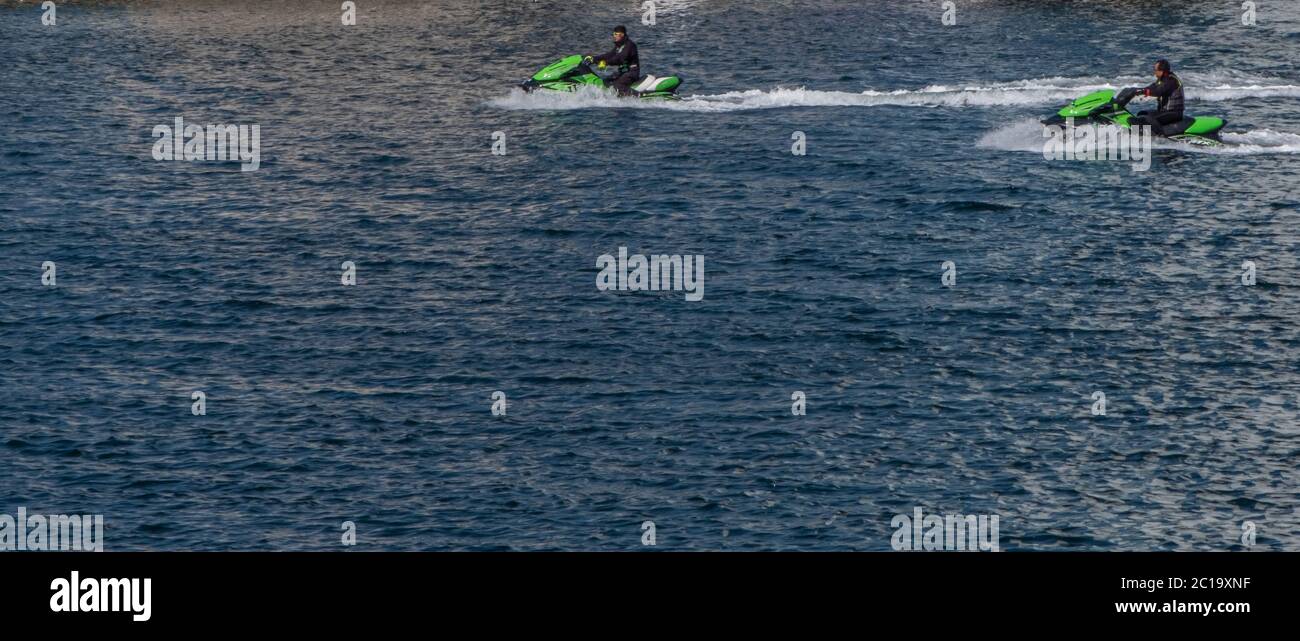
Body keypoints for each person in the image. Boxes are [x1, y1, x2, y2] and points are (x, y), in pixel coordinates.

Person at [1129, 59, 1185, 133]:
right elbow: (1151, 87)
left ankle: (1159, 138)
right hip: (1164, 112)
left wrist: (1145, 91)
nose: (1154, 72)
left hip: (1174, 113)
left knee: (1147, 119)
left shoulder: (1171, 80)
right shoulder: (1161, 80)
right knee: (1142, 114)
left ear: (1162, 71)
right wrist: (1137, 91)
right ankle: (1135, 135)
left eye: (1155, 70)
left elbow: (1158, 91)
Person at [585, 25, 640, 96]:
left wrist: (605, 63)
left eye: (616, 34)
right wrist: (593, 58)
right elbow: (609, 55)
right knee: (605, 82)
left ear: (622, 35)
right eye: (613, 34)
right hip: (623, 73)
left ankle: (637, 97)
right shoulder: (619, 47)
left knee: (617, 85)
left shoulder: (630, 45)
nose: (614, 36)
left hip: (631, 73)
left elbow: (620, 58)